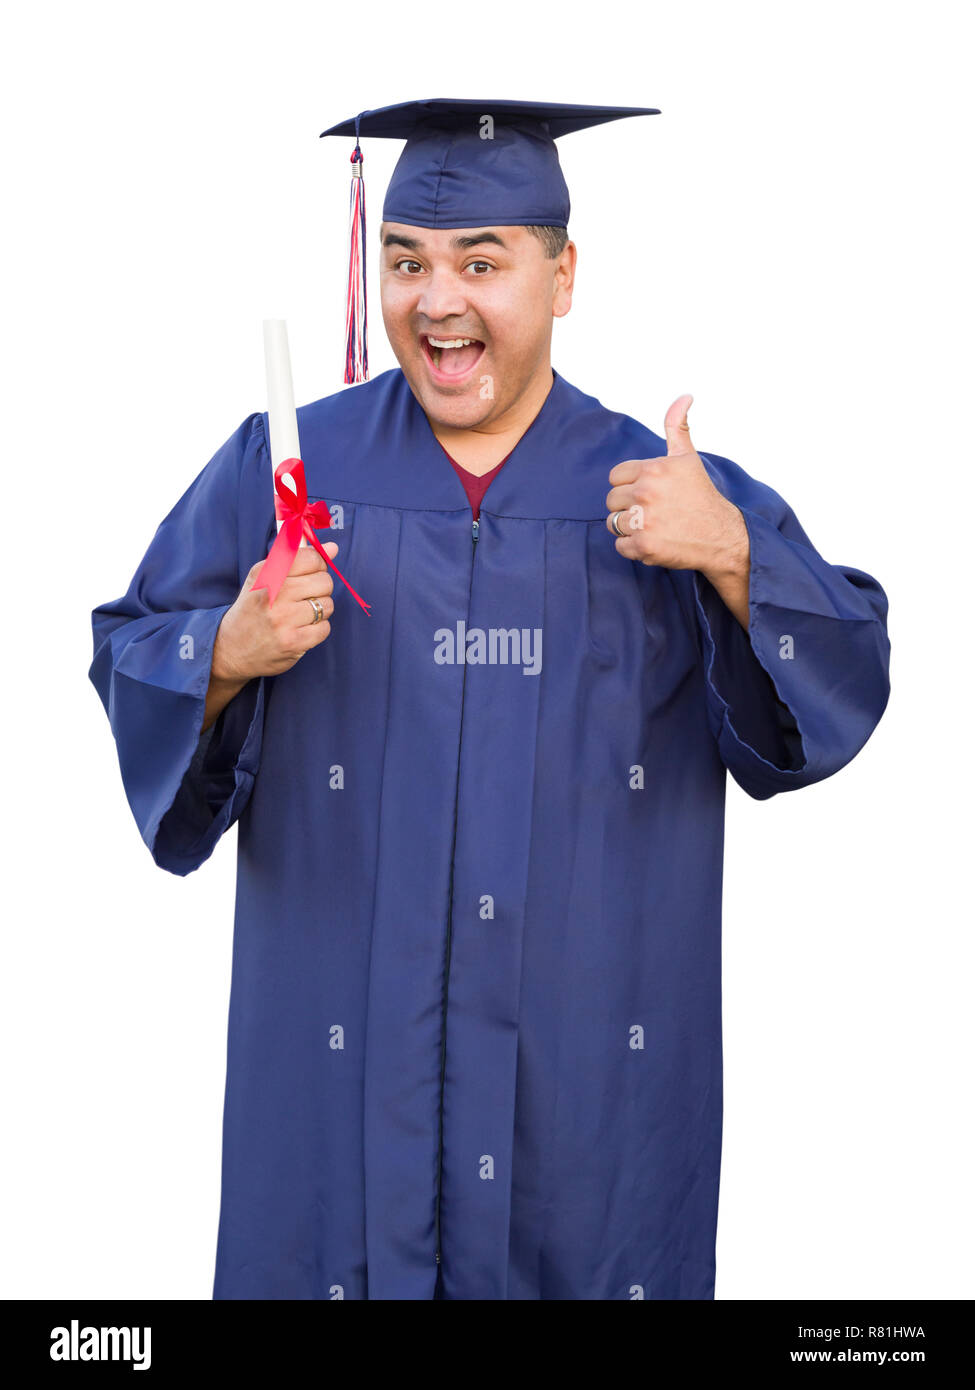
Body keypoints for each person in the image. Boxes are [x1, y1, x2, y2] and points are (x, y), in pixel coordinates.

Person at [88, 99, 891, 1301]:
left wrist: (731, 554)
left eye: (482, 261)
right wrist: (227, 648)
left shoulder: (658, 492)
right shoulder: (290, 468)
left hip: (590, 1119)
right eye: (405, 261)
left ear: (563, 277)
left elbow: (845, 684)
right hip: (338, 1098)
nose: (437, 298)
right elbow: (132, 648)